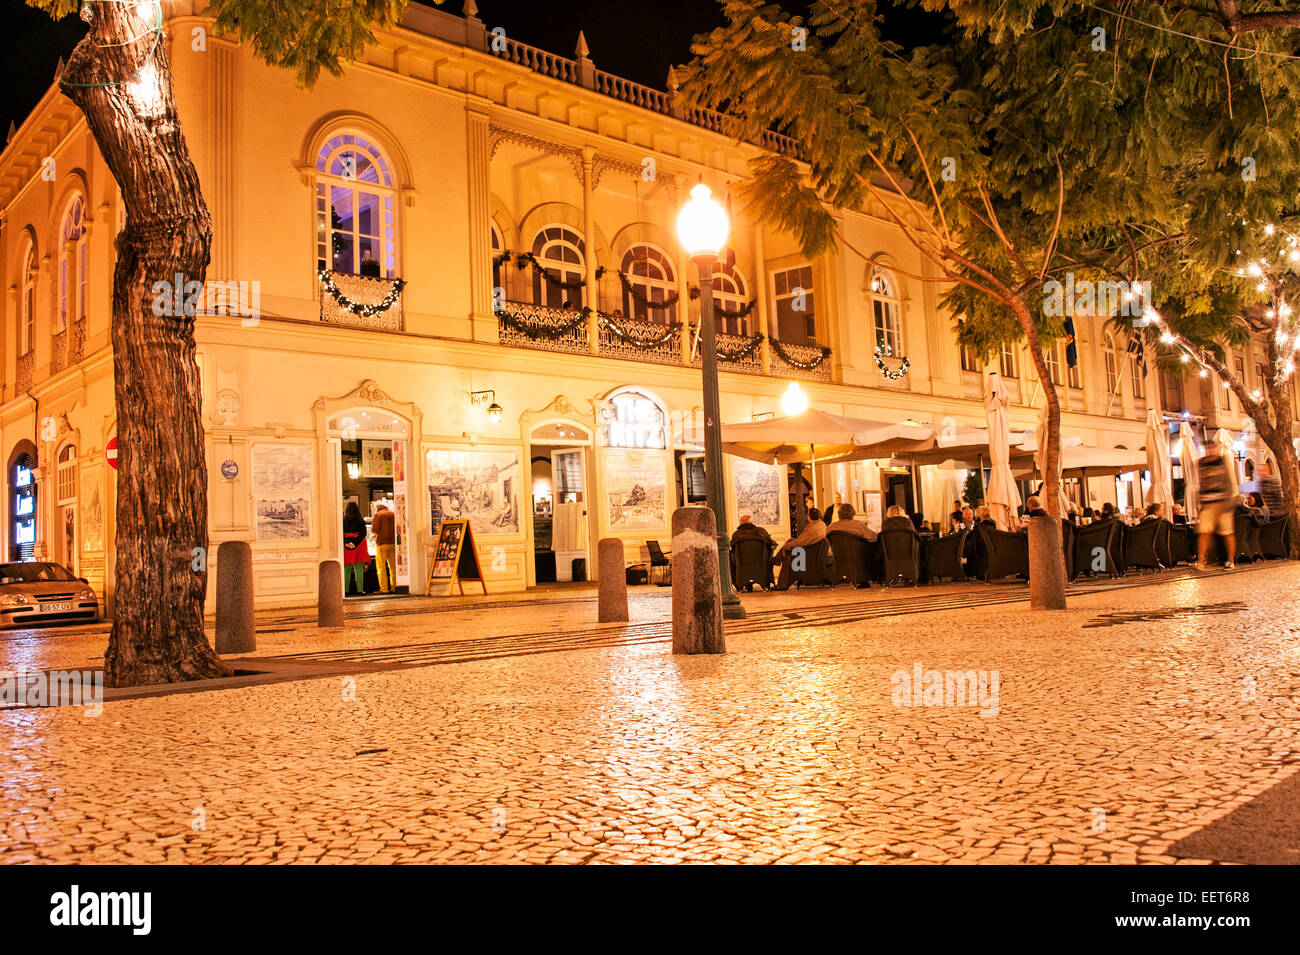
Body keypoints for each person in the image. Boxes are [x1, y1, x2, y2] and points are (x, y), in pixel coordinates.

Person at [1195, 446, 1235, 570]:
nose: (1209, 451)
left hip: (1223, 503)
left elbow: (1229, 483)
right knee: (1204, 532)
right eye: (1207, 448)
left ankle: (1231, 561)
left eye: (1211, 448)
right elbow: (1201, 484)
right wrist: (1200, 503)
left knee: (1227, 532)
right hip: (1207, 504)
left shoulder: (1221, 462)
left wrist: (1228, 504)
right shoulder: (1201, 464)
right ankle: (1201, 561)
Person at [773, 506, 828, 589]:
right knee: (790, 541)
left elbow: (800, 542)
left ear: (809, 517)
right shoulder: (822, 524)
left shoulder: (811, 528)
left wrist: (786, 547)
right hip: (815, 552)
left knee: (787, 554)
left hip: (807, 555)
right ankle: (777, 559)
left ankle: (782, 584)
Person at [342, 501, 371, 596]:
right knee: (358, 569)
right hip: (359, 545)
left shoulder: (343, 519)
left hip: (346, 547)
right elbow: (363, 533)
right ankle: (360, 590)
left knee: (346, 569)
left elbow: (341, 533)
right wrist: (355, 543)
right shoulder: (360, 519)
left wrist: (347, 542)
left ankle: (345, 590)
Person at [372, 503, 396, 594]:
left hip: (382, 543)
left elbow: (374, 529)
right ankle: (394, 586)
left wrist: (374, 537)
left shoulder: (378, 515)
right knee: (393, 567)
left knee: (381, 567)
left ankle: (384, 588)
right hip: (393, 543)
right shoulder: (393, 513)